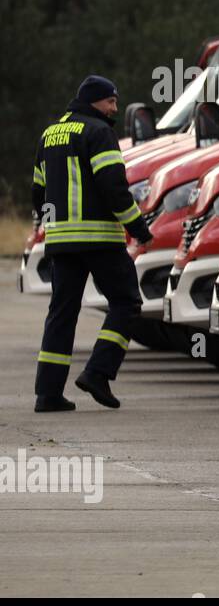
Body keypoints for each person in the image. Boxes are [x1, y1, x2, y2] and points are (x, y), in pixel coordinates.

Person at [31, 75, 153, 412]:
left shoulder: (49, 134)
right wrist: (139, 229)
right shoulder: (100, 132)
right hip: (99, 238)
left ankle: (48, 393)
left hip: (60, 241)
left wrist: (50, 226)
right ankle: (98, 373)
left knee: (61, 313)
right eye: (111, 102)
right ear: (94, 101)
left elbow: (38, 192)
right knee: (126, 302)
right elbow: (114, 187)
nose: (114, 108)